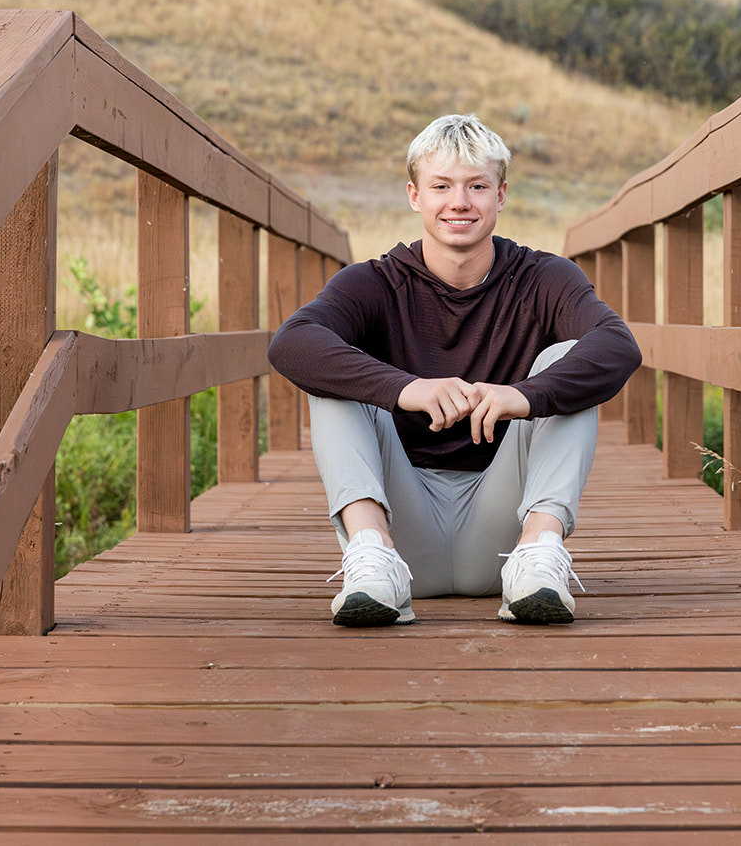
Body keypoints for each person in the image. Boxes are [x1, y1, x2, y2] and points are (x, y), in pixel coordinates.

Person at [267, 114, 642, 627]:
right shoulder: (374, 283)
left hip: (505, 542)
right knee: (330, 366)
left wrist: (525, 396)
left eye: (477, 186)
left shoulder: (545, 278)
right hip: (403, 538)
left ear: (501, 194)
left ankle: (541, 554)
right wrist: (405, 388)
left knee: (565, 363)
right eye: (441, 186)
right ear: (414, 195)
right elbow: (291, 343)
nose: (459, 202)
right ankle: (370, 555)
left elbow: (619, 346)